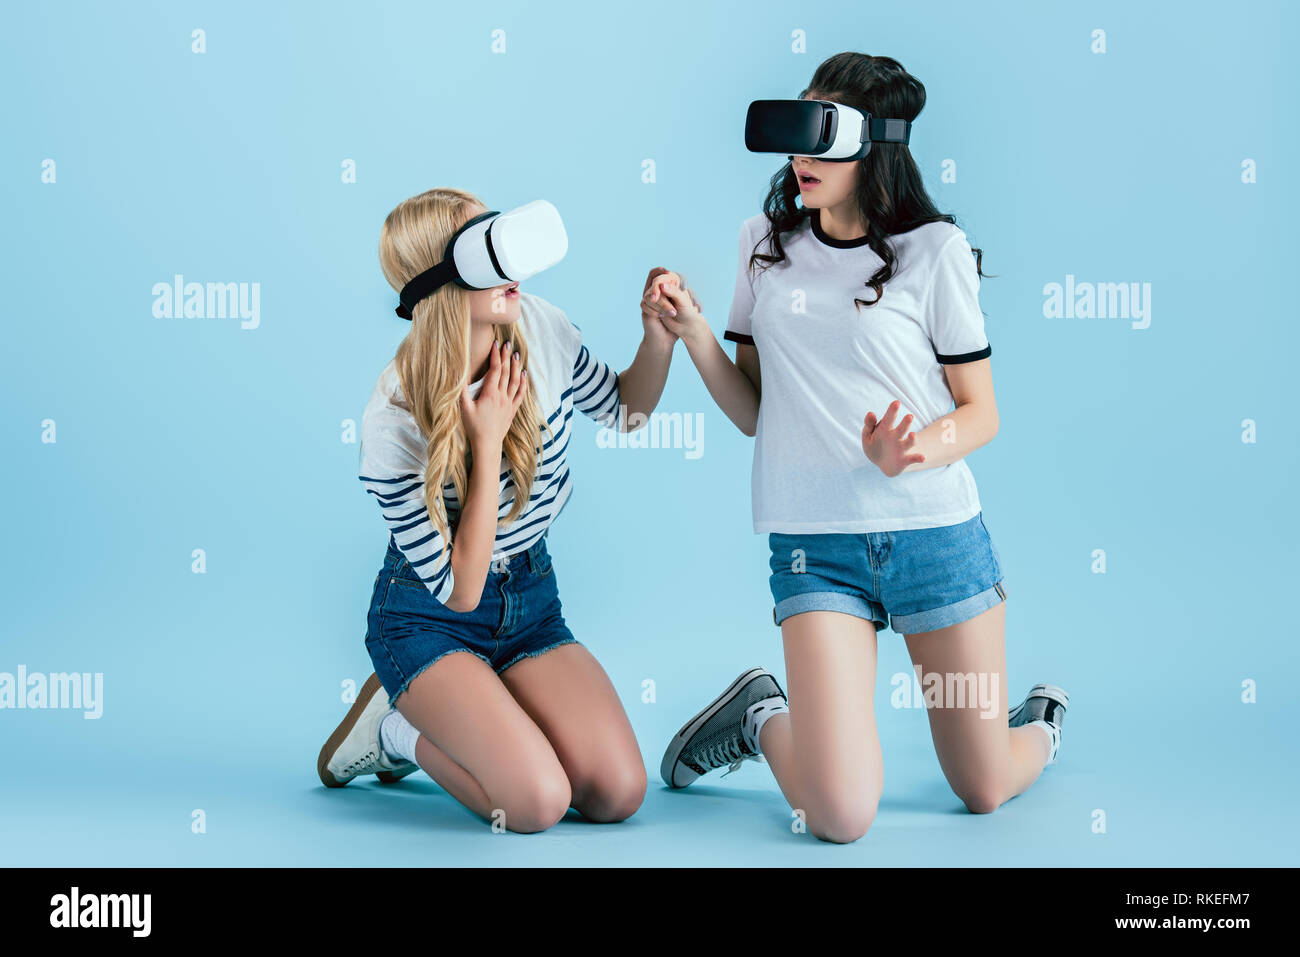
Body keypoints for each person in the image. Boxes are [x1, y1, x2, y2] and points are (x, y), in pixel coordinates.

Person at [649, 53, 1069, 843]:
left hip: (936, 540)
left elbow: (982, 414)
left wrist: (913, 452)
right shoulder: (761, 245)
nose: (798, 157)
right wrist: (696, 334)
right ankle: (760, 710)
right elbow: (753, 412)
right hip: (818, 547)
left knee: (981, 786)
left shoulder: (935, 251)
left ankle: (1041, 724)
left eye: (820, 134)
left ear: (874, 144)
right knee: (839, 815)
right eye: (794, 132)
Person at [317, 187, 680, 833]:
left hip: (530, 601)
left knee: (617, 791)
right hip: (429, 617)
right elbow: (460, 591)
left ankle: (485, 707)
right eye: (484, 248)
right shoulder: (392, 416)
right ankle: (396, 728)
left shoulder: (540, 324)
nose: (510, 264)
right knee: (534, 803)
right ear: (441, 279)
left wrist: (658, 339)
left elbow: (628, 411)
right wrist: (485, 448)